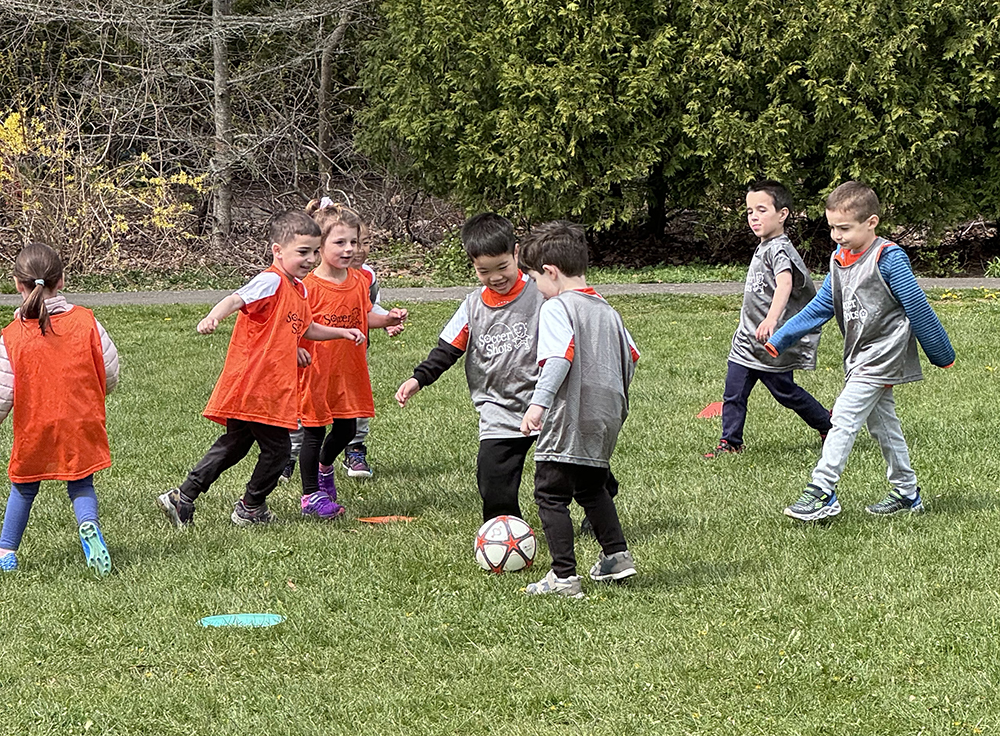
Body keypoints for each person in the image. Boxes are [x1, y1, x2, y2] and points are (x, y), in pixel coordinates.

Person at [156, 210, 365, 528]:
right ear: (277, 251)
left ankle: (182, 497)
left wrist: (337, 334)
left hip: (266, 387)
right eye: (302, 252)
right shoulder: (271, 280)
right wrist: (213, 317)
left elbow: (304, 328)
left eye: (314, 251)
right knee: (279, 451)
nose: (309, 259)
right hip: (256, 384)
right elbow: (236, 299)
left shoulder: (300, 289)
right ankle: (250, 508)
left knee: (233, 447)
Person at [766, 181, 955, 521]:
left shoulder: (888, 258)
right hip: (860, 355)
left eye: (845, 228)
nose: (837, 235)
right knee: (884, 425)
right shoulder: (839, 260)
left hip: (883, 355)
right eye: (832, 228)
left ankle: (822, 490)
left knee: (843, 418)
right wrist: (782, 337)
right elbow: (822, 306)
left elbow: (917, 306)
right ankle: (906, 492)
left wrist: (941, 352)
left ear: (872, 223)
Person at [395, 213, 544, 522]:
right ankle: (504, 532)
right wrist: (417, 379)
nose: (496, 277)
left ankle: (598, 503)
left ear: (516, 253)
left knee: (572, 472)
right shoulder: (473, 306)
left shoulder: (542, 294)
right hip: (499, 409)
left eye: (502, 267)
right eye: (484, 271)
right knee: (493, 482)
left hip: (548, 404)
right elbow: (447, 350)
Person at [518, 221, 639, 598]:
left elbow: (558, 358)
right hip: (607, 413)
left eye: (535, 278)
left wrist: (538, 406)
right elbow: (631, 357)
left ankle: (563, 577)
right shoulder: (607, 310)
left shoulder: (557, 307)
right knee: (591, 486)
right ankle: (616, 557)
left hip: (570, 414)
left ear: (550, 272)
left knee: (551, 492)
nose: (536, 286)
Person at [0, 243, 119, 575]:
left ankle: (6, 551)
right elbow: (109, 371)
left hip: (36, 425)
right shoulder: (87, 321)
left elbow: (2, 392)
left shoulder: (11, 336)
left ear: (17, 284)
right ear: (62, 280)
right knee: (81, 482)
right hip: (80, 422)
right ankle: (89, 526)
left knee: (23, 487)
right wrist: (95, 394)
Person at [706, 180, 831, 458]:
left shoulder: (779, 248)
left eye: (761, 210)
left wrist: (772, 320)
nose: (754, 217)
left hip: (768, 342)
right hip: (745, 341)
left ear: (782, 214)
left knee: (786, 393)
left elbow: (785, 283)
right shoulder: (765, 245)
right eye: (750, 211)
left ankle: (827, 424)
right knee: (734, 393)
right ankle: (731, 442)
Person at [297, 199, 406, 519]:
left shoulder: (360, 281)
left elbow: (363, 315)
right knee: (314, 432)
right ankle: (310, 497)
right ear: (320, 245)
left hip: (349, 369)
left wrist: (387, 320)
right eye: (340, 242)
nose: (349, 249)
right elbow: (295, 323)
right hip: (318, 368)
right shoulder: (308, 286)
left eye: (354, 242)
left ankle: (325, 469)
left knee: (345, 430)